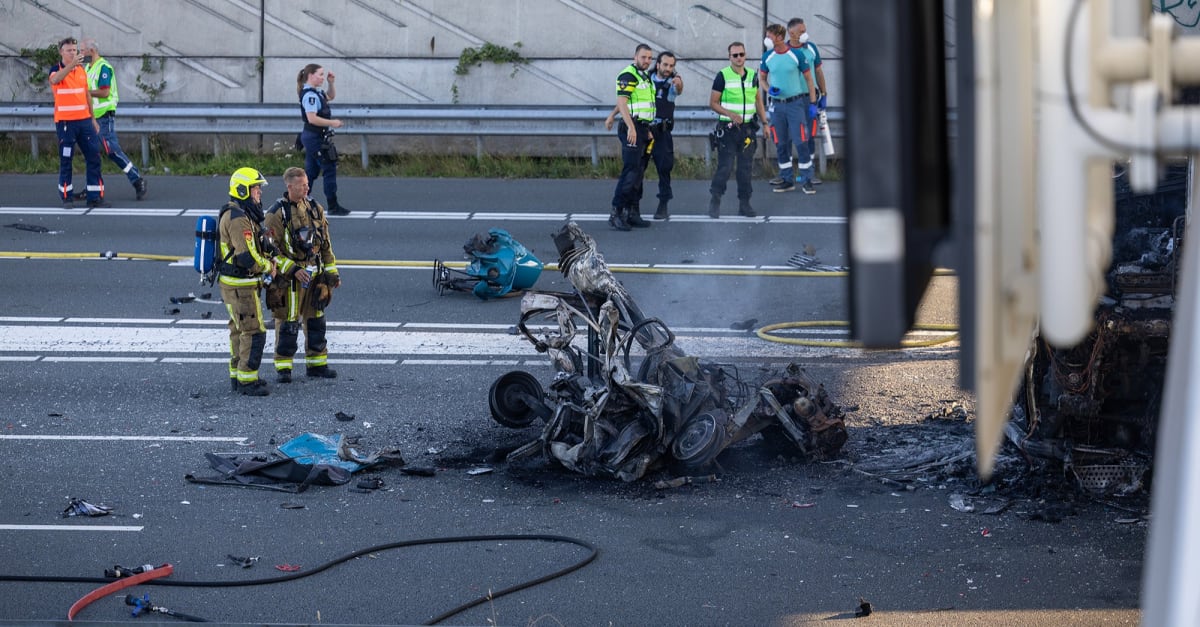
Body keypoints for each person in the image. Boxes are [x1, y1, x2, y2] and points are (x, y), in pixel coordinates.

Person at [264, 167, 342, 383]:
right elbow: (270, 251)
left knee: (316, 319)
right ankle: (284, 368)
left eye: (307, 183)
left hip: (314, 275)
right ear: (289, 187)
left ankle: (317, 364)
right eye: (302, 184)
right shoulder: (275, 214)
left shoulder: (315, 208)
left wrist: (331, 273)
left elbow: (325, 244)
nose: (307, 187)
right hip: (290, 280)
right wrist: (293, 269)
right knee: (288, 322)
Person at [217, 167, 277, 396]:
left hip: (235, 284)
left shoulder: (239, 213)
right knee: (254, 332)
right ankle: (247, 381)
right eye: (256, 188)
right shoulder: (238, 219)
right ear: (243, 190)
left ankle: (238, 375)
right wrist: (267, 266)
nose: (259, 192)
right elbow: (246, 256)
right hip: (240, 285)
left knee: (239, 330)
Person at [607, 50, 684, 221]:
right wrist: (613, 115)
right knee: (636, 170)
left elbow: (678, 90)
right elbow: (625, 99)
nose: (668, 68)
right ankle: (631, 209)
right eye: (665, 64)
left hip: (661, 132)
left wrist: (678, 83)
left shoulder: (673, 80)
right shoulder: (644, 78)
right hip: (644, 129)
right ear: (658, 64)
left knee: (664, 168)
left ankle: (663, 203)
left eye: (671, 66)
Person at [81, 38, 148, 201]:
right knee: (91, 153)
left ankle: (137, 179)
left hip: (104, 116)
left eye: (83, 51)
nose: (80, 54)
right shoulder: (87, 68)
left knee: (112, 151)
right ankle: (92, 187)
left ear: (92, 51)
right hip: (91, 117)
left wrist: (87, 92)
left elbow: (104, 92)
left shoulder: (103, 67)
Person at [708, 42, 768, 219]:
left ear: (745, 55)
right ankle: (715, 200)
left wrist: (765, 123)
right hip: (728, 130)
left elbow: (758, 101)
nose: (739, 58)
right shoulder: (723, 76)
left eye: (741, 54)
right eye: (735, 55)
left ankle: (744, 203)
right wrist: (730, 114)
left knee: (745, 168)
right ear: (729, 57)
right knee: (725, 168)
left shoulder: (752, 75)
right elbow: (713, 103)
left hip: (748, 130)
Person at [48, 37, 107, 210]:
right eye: (69, 50)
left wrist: (93, 118)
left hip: (84, 122)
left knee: (94, 156)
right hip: (66, 123)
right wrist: (71, 65)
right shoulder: (56, 69)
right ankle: (67, 197)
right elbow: (55, 80)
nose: (73, 53)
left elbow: (86, 94)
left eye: (75, 50)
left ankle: (94, 196)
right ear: (61, 52)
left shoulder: (81, 70)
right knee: (66, 159)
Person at [760, 23, 817, 195]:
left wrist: (813, 103)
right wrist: (769, 89)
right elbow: (762, 79)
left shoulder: (796, 55)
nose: (767, 40)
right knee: (781, 143)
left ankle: (807, 180)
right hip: (776, 106)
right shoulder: (767, 57)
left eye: (769, 36)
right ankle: (787, 180)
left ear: (779, 37)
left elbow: (809, 80)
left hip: (795, 104)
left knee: (801, 142)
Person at [608, 44, 656, 231]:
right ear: (635, 56)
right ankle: (617, 212)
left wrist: (646, 128)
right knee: (630, 171)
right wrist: (631, 127)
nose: (647, 61)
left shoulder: (645, 76)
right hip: (632, 127)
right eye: (643, 57)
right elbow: (622, 102)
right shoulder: (628, 74)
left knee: (639, 172)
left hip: (642, 128)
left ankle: (632, 212)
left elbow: (635, 102)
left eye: (649, 58)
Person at [297, 64, 350, 216]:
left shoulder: (316, 93)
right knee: (329, 168)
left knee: (311, 171)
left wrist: (331, 82)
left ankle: (300, 203)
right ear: (310, 76)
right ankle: (332, 205)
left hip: (315, 137)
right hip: (315, 138)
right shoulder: (310, 96)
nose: (322, 77)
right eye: (320, 75)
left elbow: (331, 96)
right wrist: (332, 123)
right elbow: (312, 118)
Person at [789, 17, 827, 186]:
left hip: (809, 99)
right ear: (792, 33)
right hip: (790, 101)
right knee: (788, 136)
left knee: (809, 135)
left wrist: (824, 93)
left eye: (805, 30)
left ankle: (809, 174)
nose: (805, 34)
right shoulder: (783, 50)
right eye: (802, 32)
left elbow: (818, 72)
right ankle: (787, 175)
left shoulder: (811, 48)